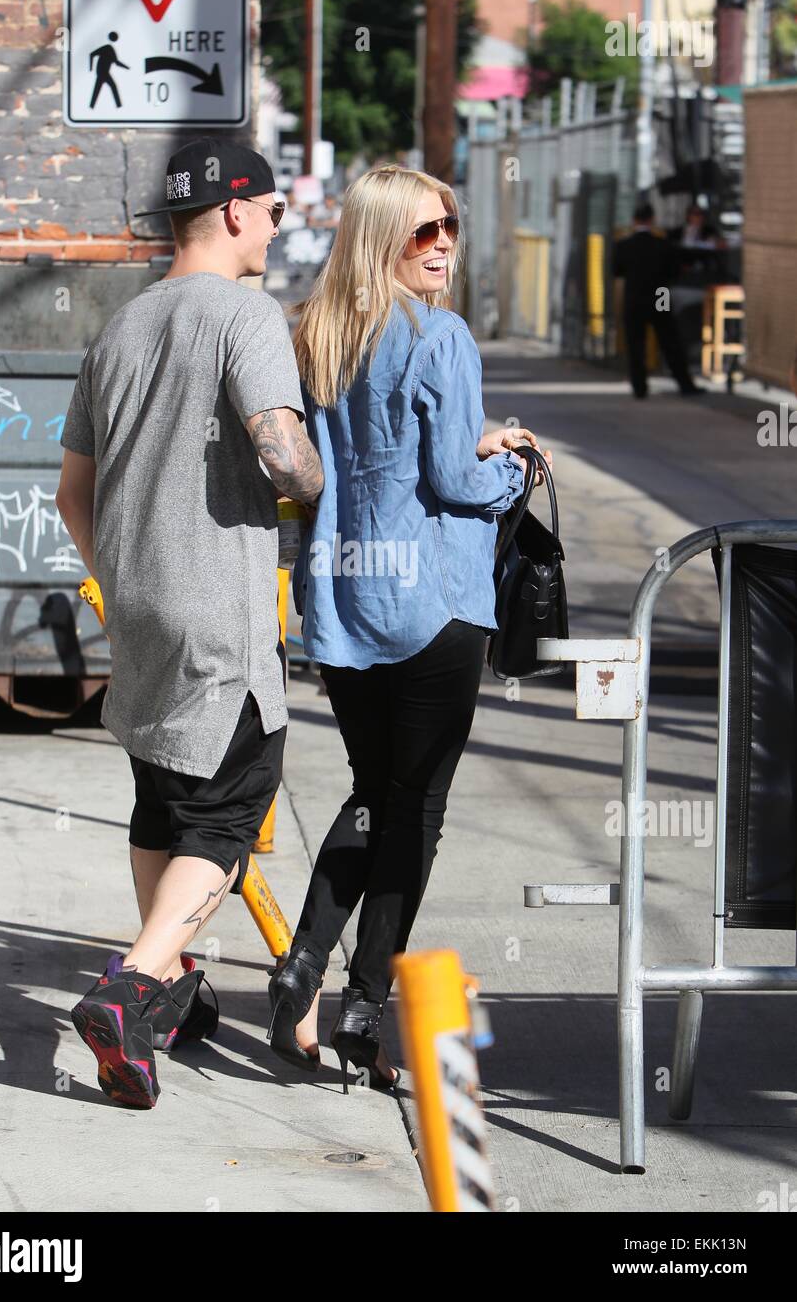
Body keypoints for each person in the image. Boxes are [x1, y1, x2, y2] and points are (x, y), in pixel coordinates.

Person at [266, 164, 553, 1092]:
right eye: (422, 233)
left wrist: (466, 439)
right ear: (382, 238)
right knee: (415, 810)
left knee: (370, 792)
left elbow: (347, 459)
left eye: (449, 229)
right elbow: (456, 483)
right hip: (432, 606)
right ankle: (358, 1008)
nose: (441, 248)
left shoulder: (315, 335)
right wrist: (513, 465)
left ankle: (302, 966)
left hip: (345, 604)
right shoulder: (442, 336)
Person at [55, 137, 323, 1109]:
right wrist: (309, 482)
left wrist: (121, 576)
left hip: (136, 607)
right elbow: (282, 454)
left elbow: (69, 492)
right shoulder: (246, 316)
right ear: (238, 212)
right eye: (275, 212)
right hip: (219, 609)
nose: (278, 230)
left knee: (162, 796)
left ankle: (165, 980)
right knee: (230, 810)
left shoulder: (116, 329)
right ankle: (131, 988)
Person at [612, 201, 704, 399]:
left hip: (634, 298)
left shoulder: (624, 245)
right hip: (659, 295)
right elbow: (674, 271)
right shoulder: (662, 245)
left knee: (636, 344)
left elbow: (616, 271)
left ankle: (640, 387)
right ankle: (685, 384)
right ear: (652, 220)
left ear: (634, 221)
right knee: (669, 340)